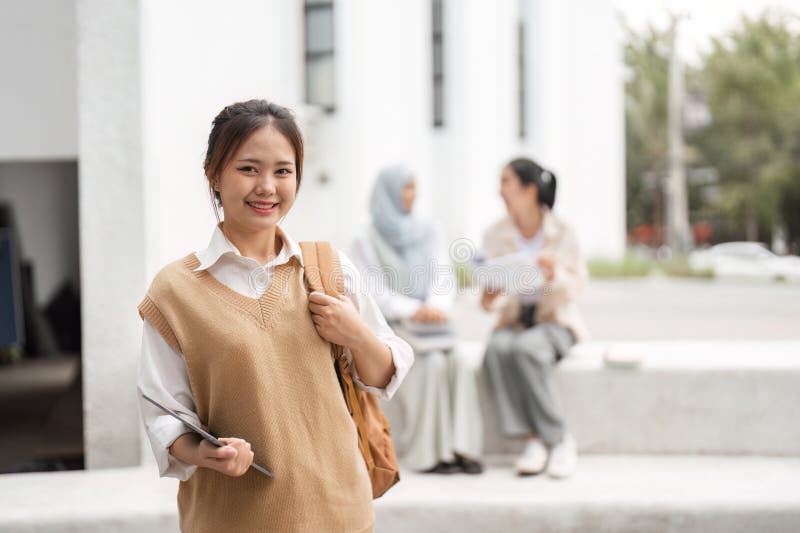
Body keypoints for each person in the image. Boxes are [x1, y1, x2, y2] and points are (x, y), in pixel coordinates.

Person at [136, 99, 413, 532]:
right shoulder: (174, 291)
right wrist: (205, 452)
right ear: (213, 172)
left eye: (283, 171)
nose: (267, 186)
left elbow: (381, 377)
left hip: (339, 512)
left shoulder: (329, 269)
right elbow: (165, 414)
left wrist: (356, 334)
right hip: (229, 519)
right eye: (248, 168)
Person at [350, 164, 484, 475]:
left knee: (460, 364)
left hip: (433, 324)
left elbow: (442, 276)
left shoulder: (429, 229)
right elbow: (371, 292)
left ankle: (463, 449)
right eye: (405, 188)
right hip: (393, 325)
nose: (412, 195)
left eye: (413, 187)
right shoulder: (366, 237)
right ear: (388, 193)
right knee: (433, 365)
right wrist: (412, 310)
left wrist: (435, 306)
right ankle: (430, 454)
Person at [480, 157, 588, 479]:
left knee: (527, 349)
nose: (499, 190)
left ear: (528, 189)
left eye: (505, 182)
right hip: (515, 319)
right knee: (497, 350)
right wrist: (489, 294)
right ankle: (532, 439)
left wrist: (553, 273)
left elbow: (577, 287)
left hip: (555, 321)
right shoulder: (495, 234)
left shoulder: (563, 231)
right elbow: (488, 302)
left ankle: (558, 439)